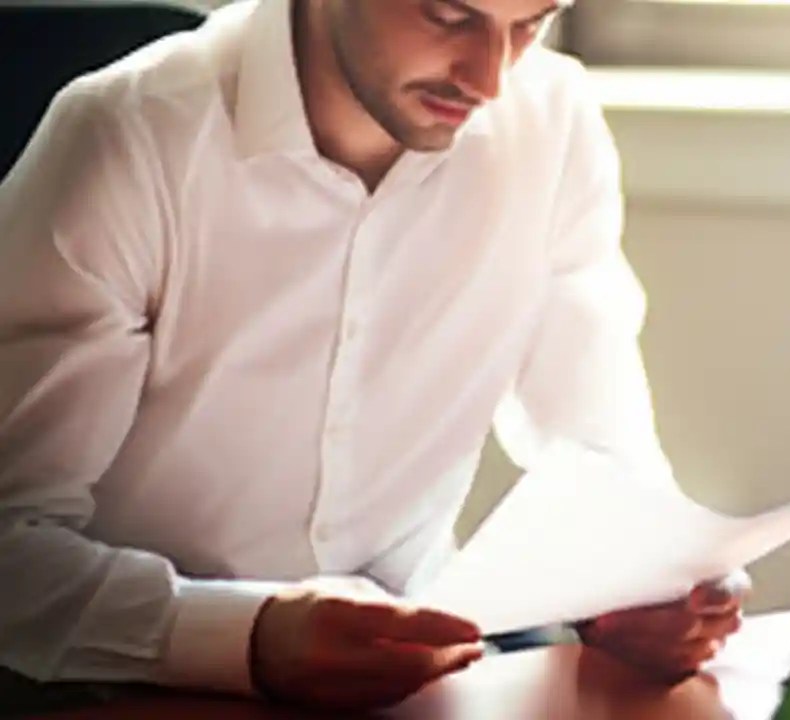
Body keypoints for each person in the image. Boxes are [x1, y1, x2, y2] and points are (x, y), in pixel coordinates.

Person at [0, 0, 745, 712]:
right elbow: (10, 543)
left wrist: (646, 579)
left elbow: (601, 450)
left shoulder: (550, 122)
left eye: (530, 25)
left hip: (418, 683)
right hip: (101, 689)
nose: (488, 80)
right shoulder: (129, 138)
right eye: (450, 17)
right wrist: (243, 637)